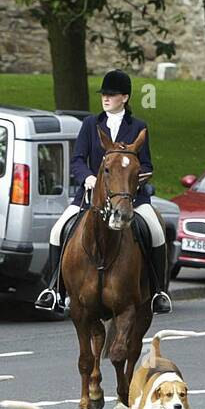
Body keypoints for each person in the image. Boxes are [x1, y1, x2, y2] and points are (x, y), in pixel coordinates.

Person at [40, 69, 170, 315]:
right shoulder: (90, 124)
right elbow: (78, 159)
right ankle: (55, 290)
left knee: (155, 230)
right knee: (58, 230)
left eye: (111, 95)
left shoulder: (138, 126)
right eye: (104, 94)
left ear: (125, 97)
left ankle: (158, 292)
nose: (106, 98)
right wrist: (87, 177)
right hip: (91, 197)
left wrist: (133, 182)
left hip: (130, 198)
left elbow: (147, 165)